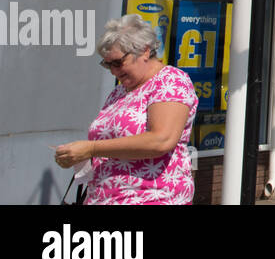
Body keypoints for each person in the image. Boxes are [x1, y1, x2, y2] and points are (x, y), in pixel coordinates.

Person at [53, 14, 198, 204]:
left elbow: (161, 140)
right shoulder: (120, 91)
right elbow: (115, 147)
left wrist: (91, 148)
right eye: (107, 64)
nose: (113, 71)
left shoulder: (170, 81)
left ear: (145, 51)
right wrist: (77, 156)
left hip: (151, 197)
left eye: (118, 62)